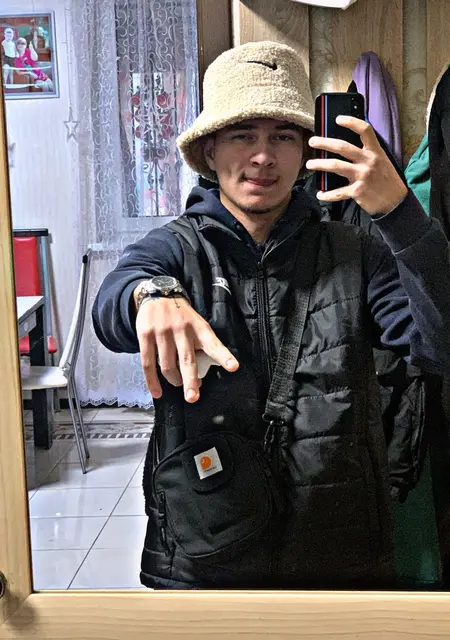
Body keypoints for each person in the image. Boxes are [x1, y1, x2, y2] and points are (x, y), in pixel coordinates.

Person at [93, 41, 450, 590]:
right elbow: (114, 303)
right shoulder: (175, 251)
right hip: (206, 545)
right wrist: (153, 295)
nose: (263, 157)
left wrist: (400, 214)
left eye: (283, 136)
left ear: (305, 150)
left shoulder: (359, 252)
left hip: (338, 546)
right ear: (210, 150)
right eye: (243, 135)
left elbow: (440, 344)